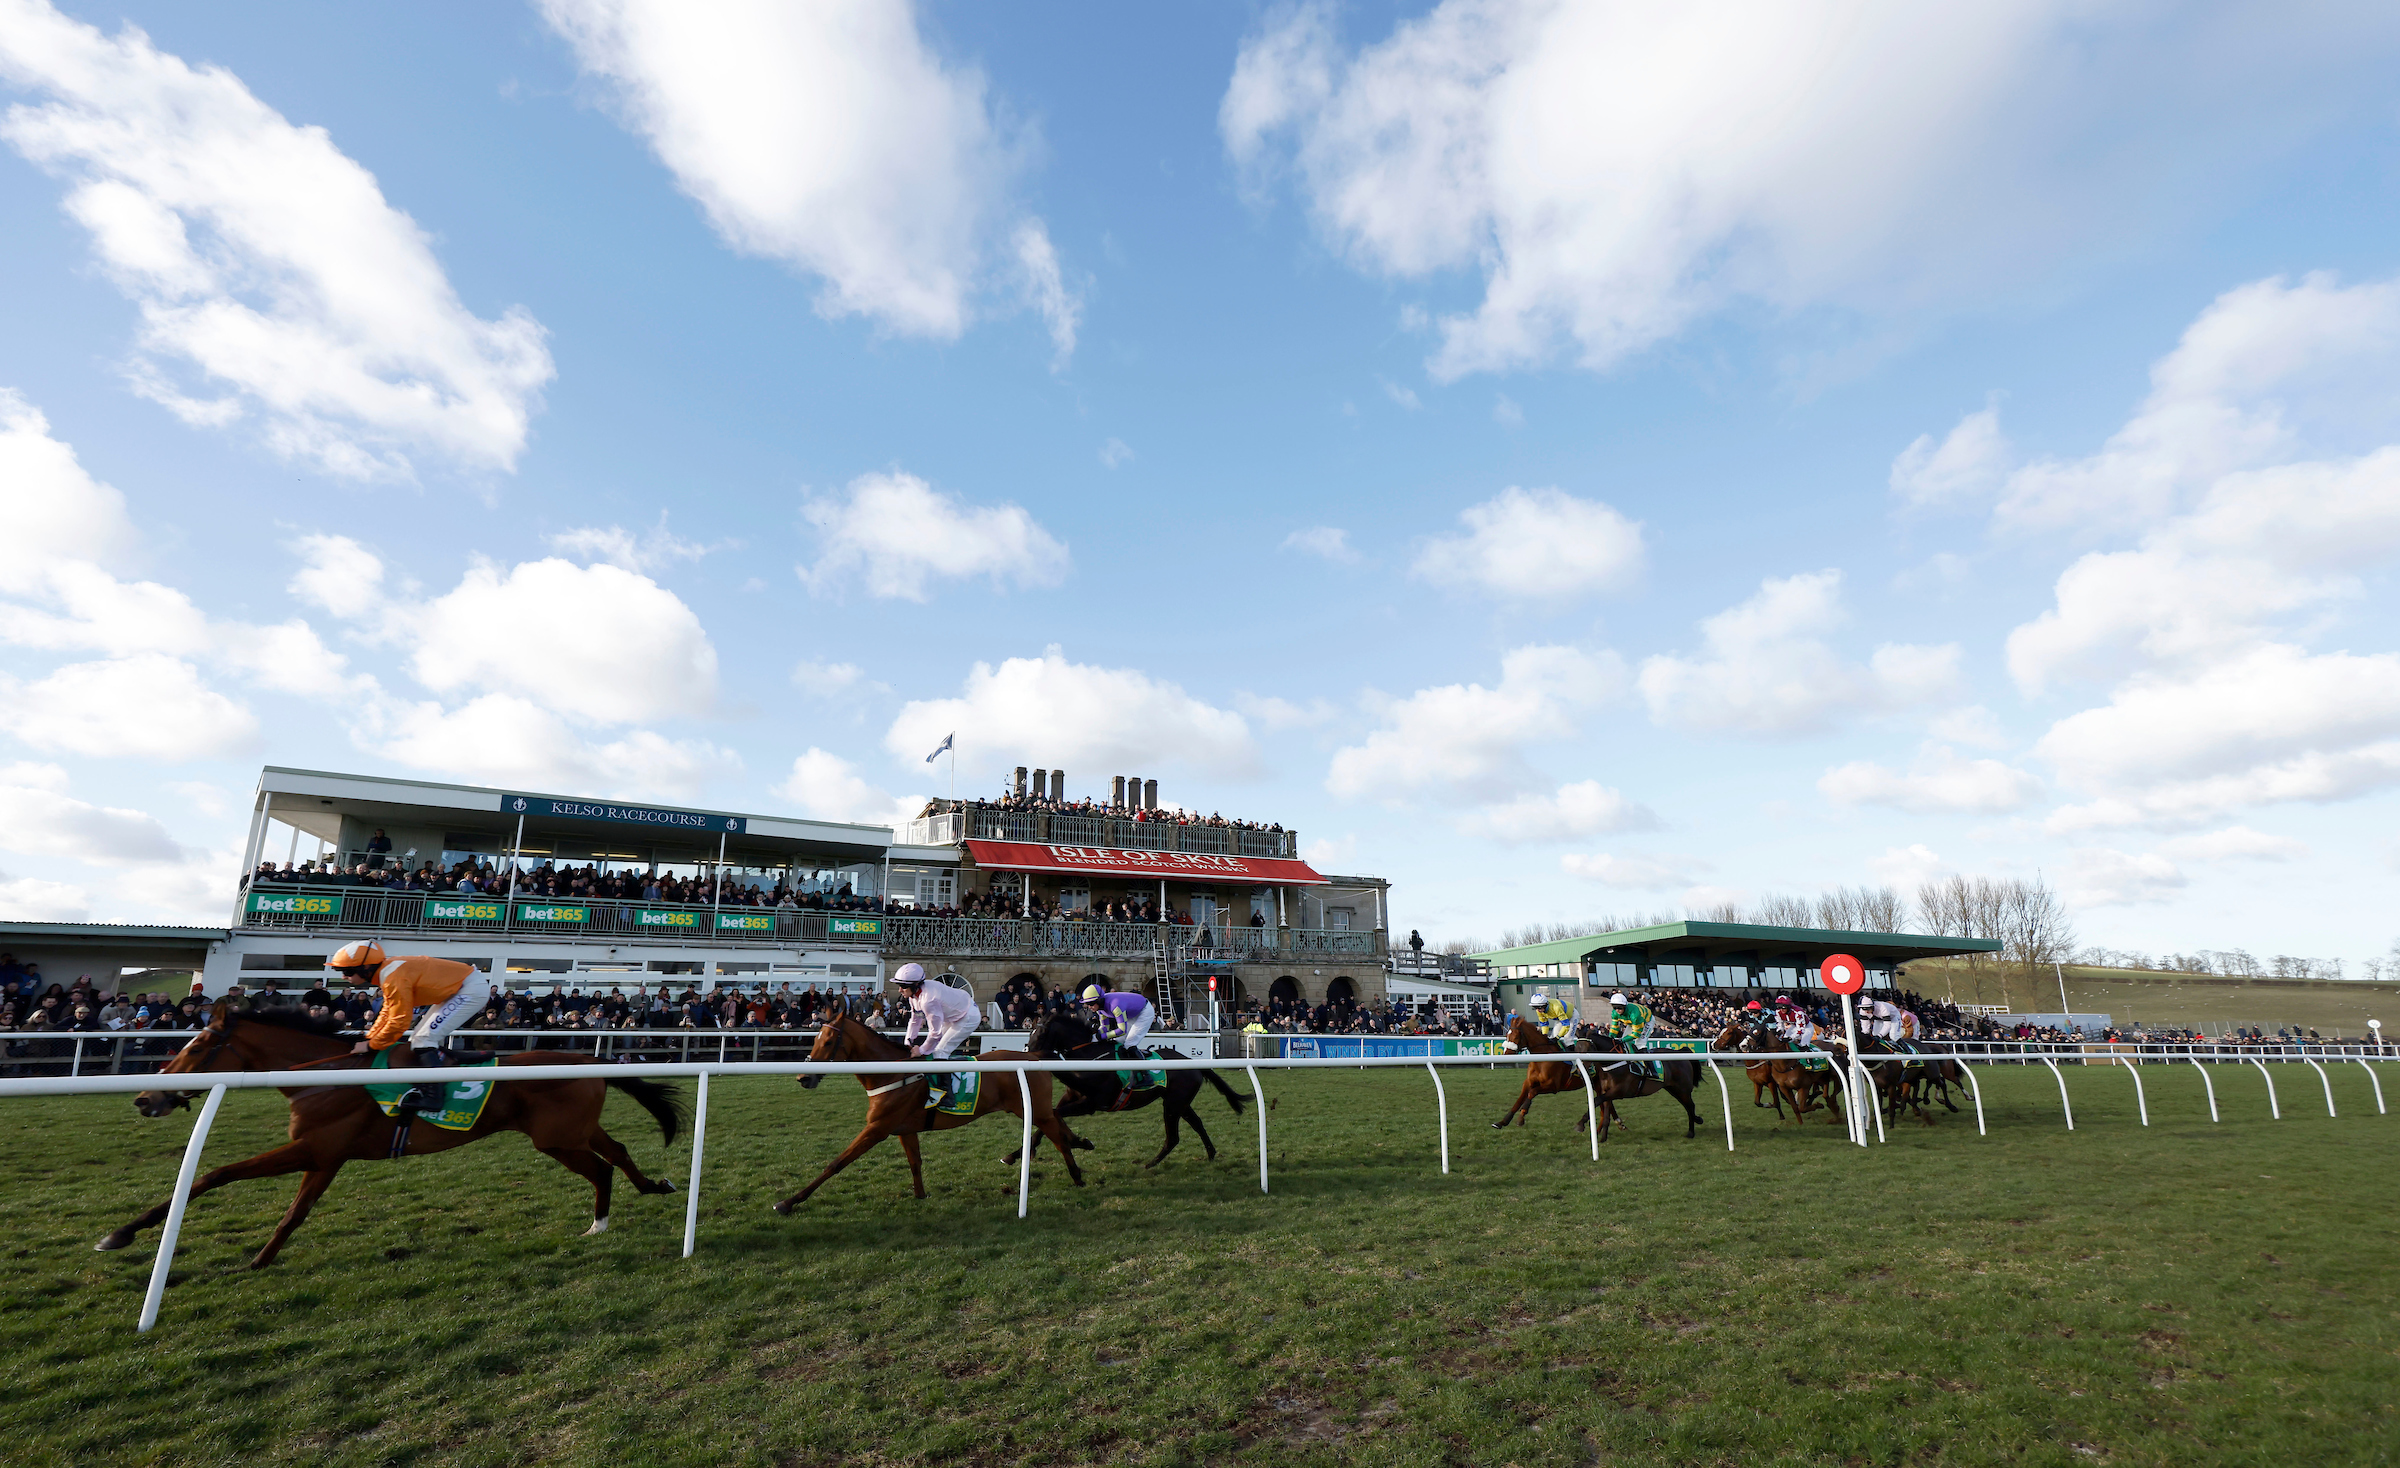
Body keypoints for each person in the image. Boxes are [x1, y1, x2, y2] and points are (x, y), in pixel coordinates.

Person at [334, 939, 499, 1113]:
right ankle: (455, 1057)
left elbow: (399, 1021)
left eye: (347, 971)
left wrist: (371, 1045)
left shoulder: (392, 977)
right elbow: (387, 1011)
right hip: (461, 987)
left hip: (469, 989)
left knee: (423, 1040)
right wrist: (369, 1037)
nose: (344, 977)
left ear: (366, 968)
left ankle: (434, 1098)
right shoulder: (387, 972)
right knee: (418, 1039)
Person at [895, 963, 978, 1108]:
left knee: (940, 1052)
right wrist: (908, 1043)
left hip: (968, 1015)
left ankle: (949, 1097)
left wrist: (920, 1050)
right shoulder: (913, 996)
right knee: (935, 1051)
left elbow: (935, 1033)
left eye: (903, 986)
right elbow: (915, 1020)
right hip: (954, 1014)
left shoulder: (928, 1000)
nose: (899, 989)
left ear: (914, 985)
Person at [1082, 982, 1156, 1053]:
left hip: (1145, 1011)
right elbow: (1105, 1027)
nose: (1089, 1007)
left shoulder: (1115, 1006)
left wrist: (1102, 1036)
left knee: (1129, 1044)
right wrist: (1096, 1033)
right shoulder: (1100, 1009)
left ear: (1099, 1000)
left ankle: (1142, 1065)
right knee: (1118, 1042)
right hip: (1132, 1013)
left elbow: (1122, 1030)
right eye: (1087, 1004)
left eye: (1091, 1003)